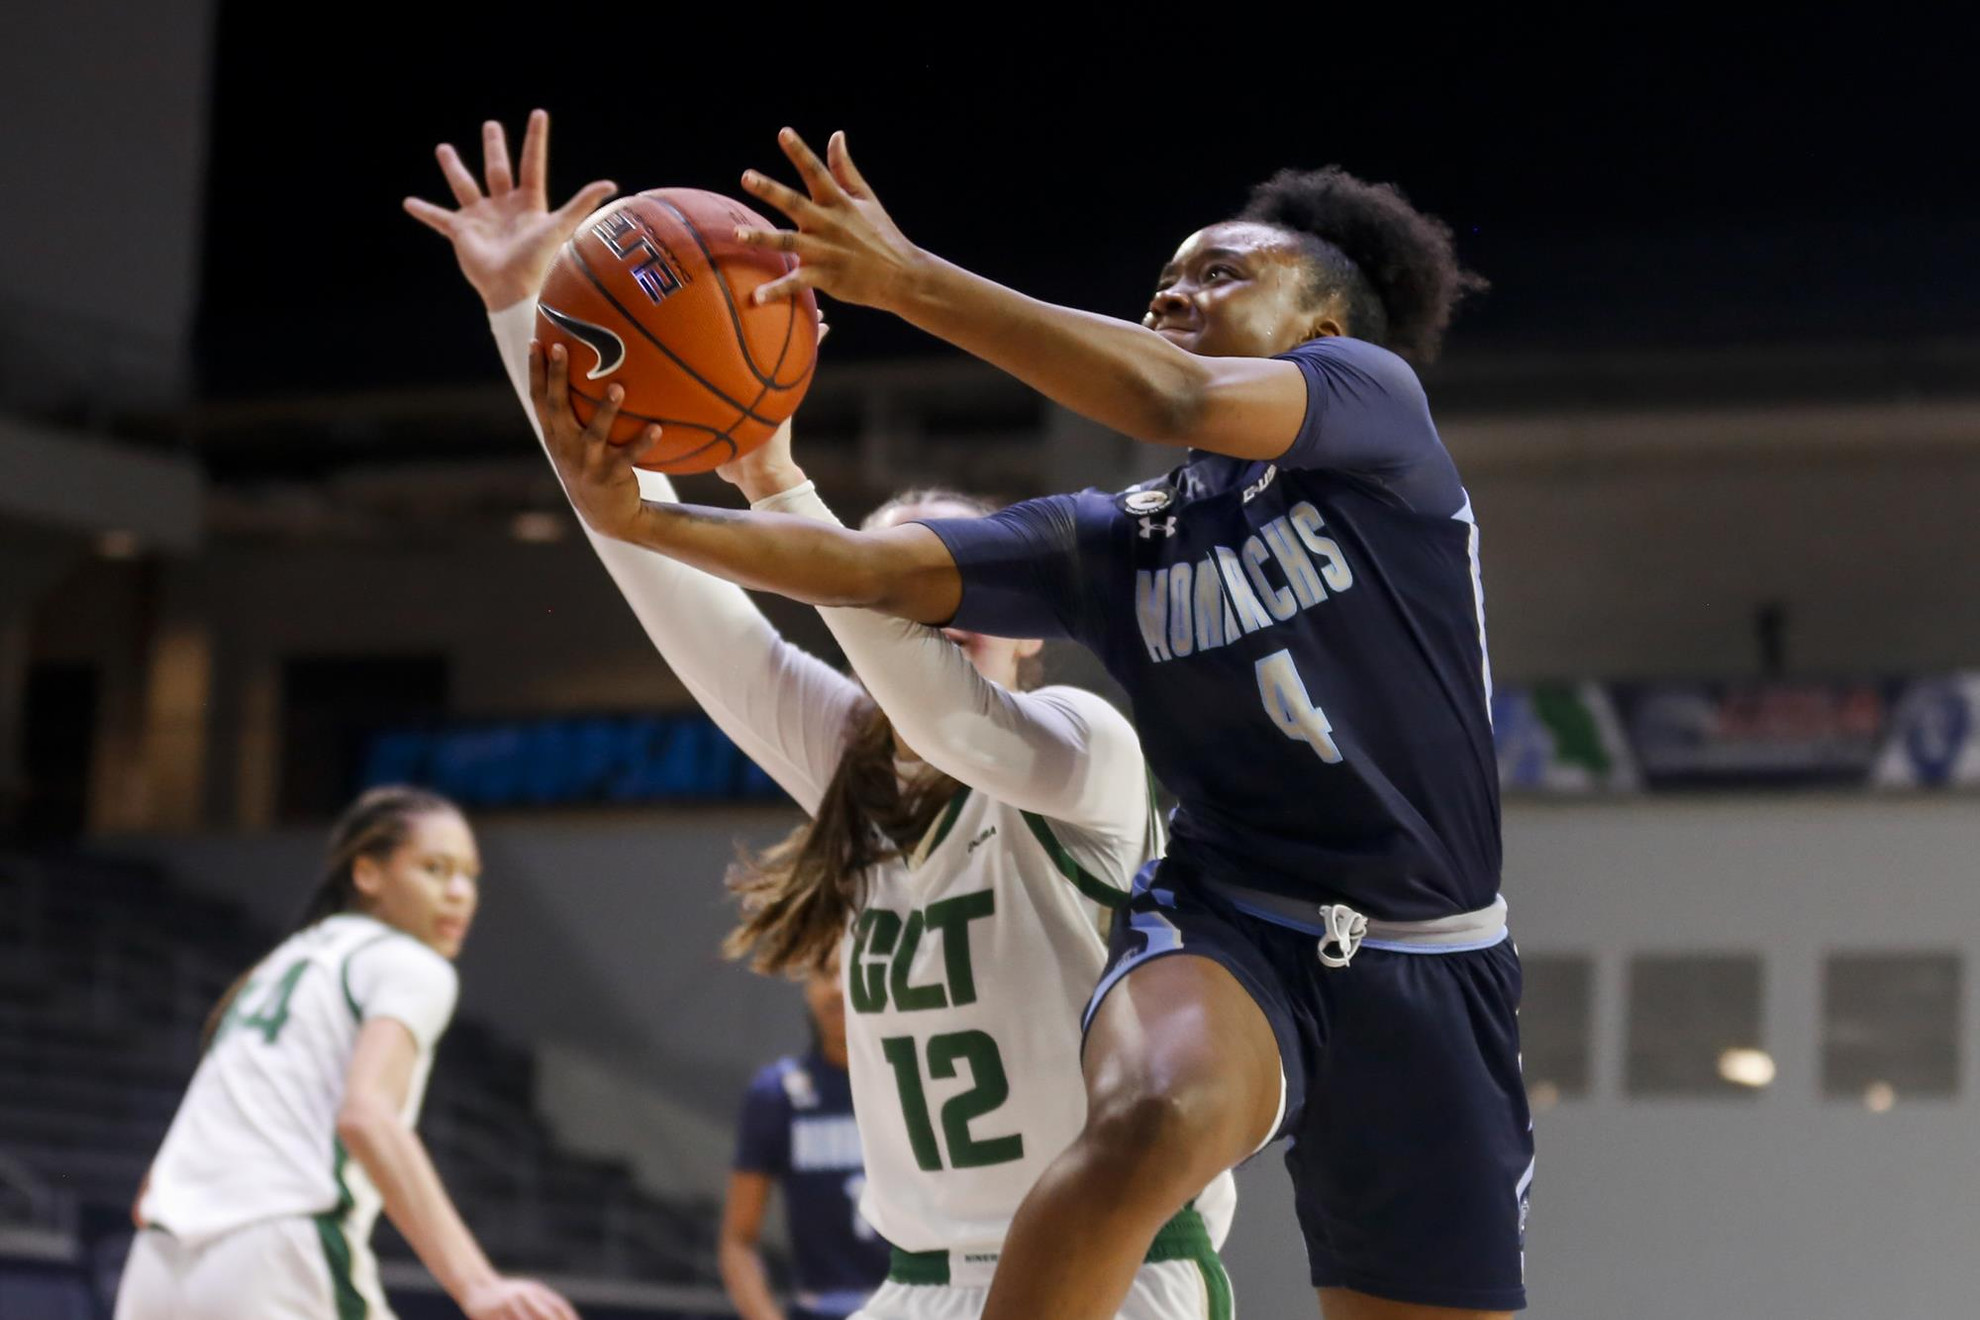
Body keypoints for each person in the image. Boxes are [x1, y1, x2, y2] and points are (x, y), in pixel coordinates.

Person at [522, 126, 1531, 1320]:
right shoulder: (1117, 538)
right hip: (1241, 919)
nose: (1177, 289)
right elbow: (875, 574)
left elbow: (1172, 393)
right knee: (1154, 1115)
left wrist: (905, 279)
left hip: (1434, 953)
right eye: (1168, 276)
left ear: (1321, 333)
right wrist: (645, 522)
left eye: (1223, 272)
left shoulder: (1380, 414)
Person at [404, 110, 1236, 1320]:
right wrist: (530, 316)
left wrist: (776, 486)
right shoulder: (855, 769)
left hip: (1111, 1281)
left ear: (1028, 625)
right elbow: (656, 570)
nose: (916, 605)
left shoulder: (1085, 758)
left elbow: (943, 720)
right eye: (891, 581)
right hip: (908, 1289)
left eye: (947, 585)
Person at [117, 786, 578, 1320]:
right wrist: (476, 1282)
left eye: (469, 876)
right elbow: (366, 1115)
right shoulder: (409, 963)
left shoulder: (279, 965)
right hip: (277, 1248)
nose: (459, 892)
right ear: (367, 874)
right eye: (435, 869)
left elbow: (155, 1180)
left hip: (158, 1260)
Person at [722, 947, 890, 1320]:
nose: (839, 988)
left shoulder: (918, 1086)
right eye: (825, 972)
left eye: (851, 971)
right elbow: (737, 1241)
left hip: (914, 1306)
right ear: (804, 986)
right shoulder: (776, 1094)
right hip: (821, 1309)